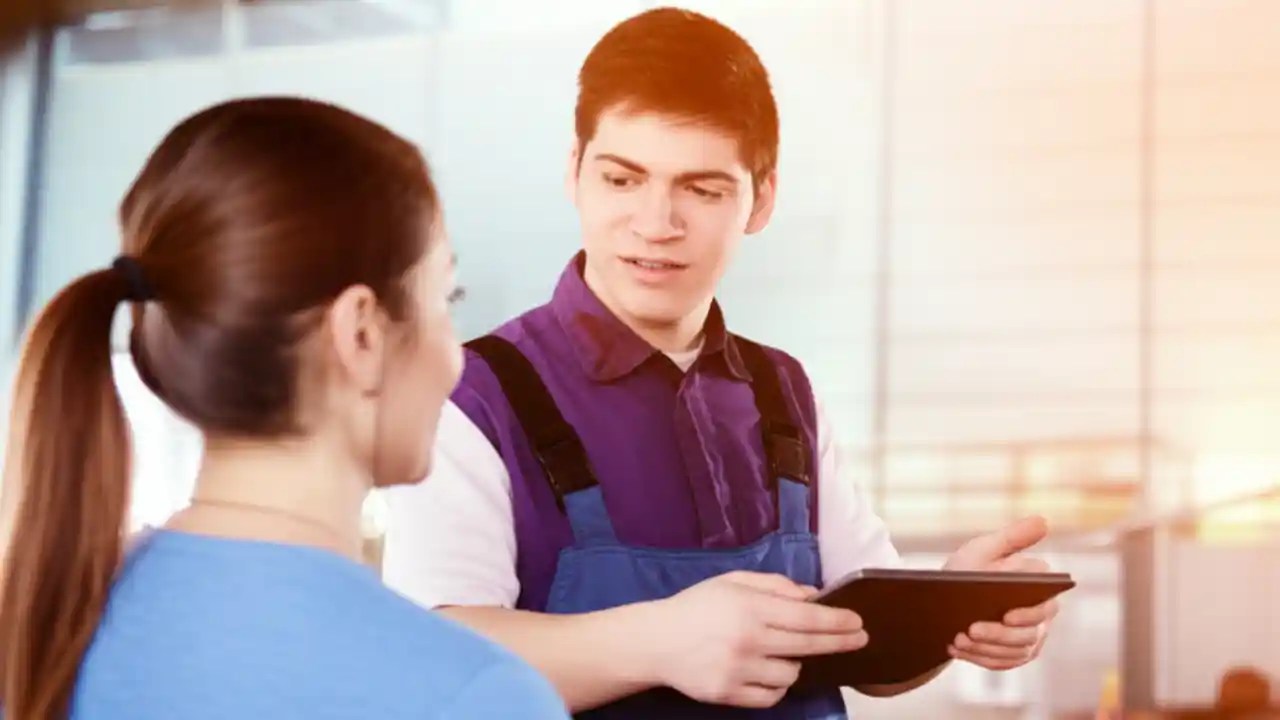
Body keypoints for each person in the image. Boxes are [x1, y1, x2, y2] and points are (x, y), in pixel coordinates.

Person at [382, 7, 1059, 719]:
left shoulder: (784, 393)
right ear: (575, 172)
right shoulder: (474, 398)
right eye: (622, 180)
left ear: (761, 200)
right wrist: (659, 643)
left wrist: (948, 613)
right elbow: (437, 671)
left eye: (702, 190)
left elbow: (869, 659)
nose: (656, 224)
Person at [0, 97, 568, 720]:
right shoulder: (475, 696)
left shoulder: (39, 634)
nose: (454, 356)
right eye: (446, 299)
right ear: (361, 334)